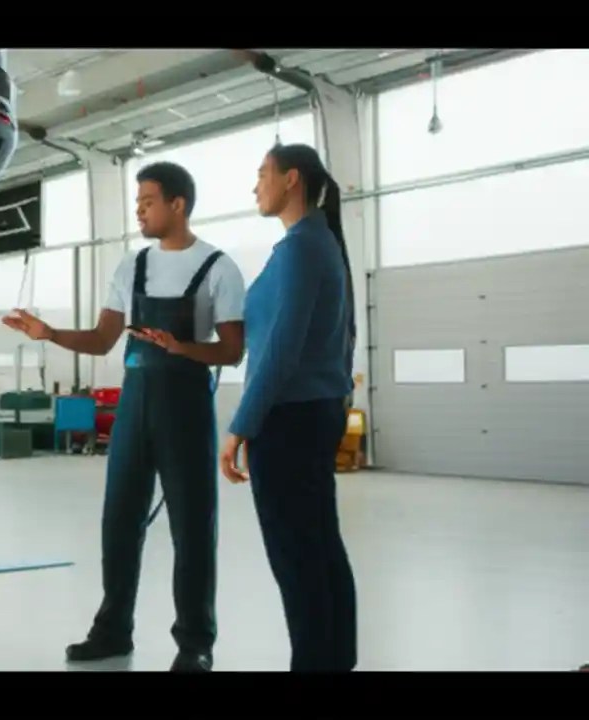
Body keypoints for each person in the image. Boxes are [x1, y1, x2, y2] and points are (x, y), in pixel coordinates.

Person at [3, 162, 246, 671]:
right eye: (137, 201)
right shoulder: (130, 267)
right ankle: (112, 630)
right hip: (134, 407)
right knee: (118, 523)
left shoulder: (219, 268)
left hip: (186, 409)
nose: (139, 210)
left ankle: (195, 645)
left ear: (178, 204)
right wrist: (47, 333)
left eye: (148, 201)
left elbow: (231, 351)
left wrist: (180, 347)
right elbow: (101, 340)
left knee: (193, 530)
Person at [221, 143, 359, 672]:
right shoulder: (319, 244)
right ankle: (333, 661)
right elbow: (343, 336)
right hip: (315, 411)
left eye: (263, 174)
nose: (256, 185)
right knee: (320, 546)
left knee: (296, 557)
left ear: (291, 180)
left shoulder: (303, 247)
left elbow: (281, 350)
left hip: (290, 418)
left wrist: (239, 427)